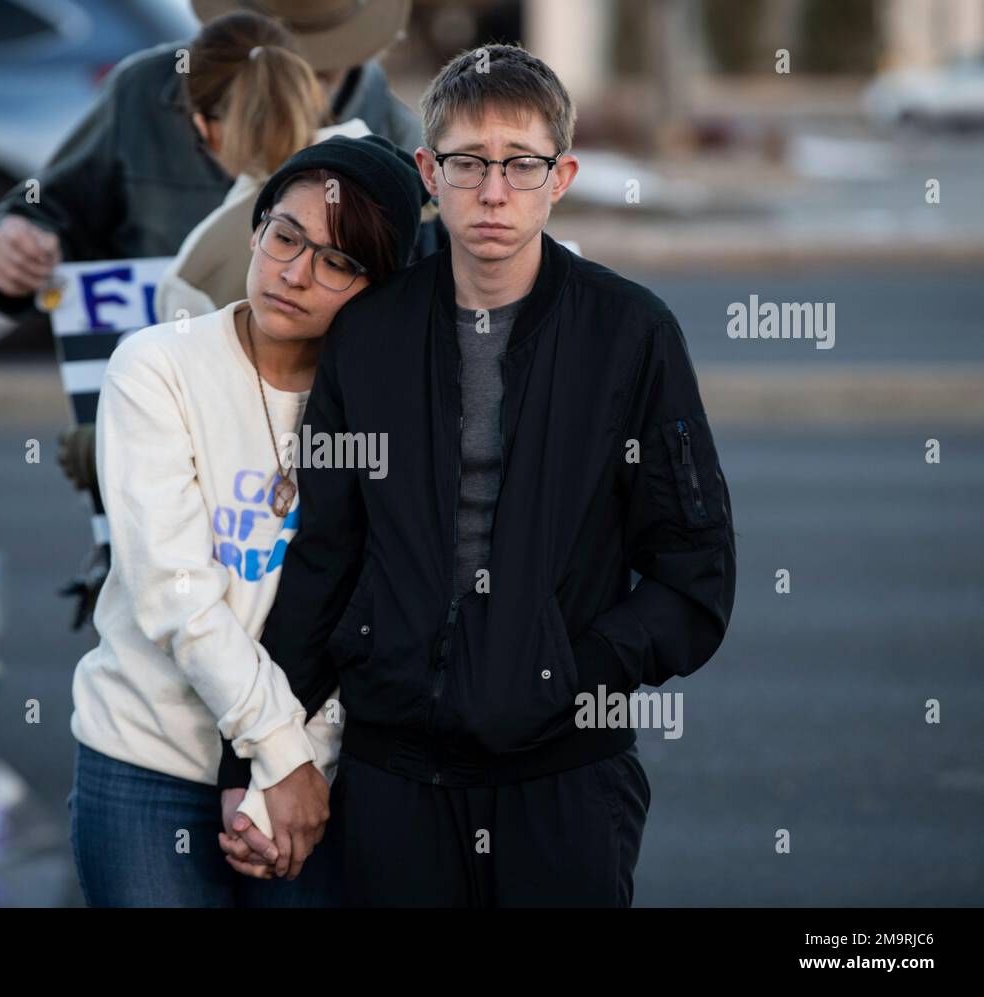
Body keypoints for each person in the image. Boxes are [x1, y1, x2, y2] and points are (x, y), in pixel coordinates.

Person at [217, 44, 738, 906]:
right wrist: (253, 760)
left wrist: (572, 675)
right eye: (467, 163)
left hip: (565, 780)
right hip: (395, 780)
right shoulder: (370, 337)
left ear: (561, 175)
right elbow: (324, 561)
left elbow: (697, 574)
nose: (493, 192)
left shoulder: (630, 334)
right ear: (429, 170)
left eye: (521, 164)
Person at [68, 134, 431, 906]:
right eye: (285, 236)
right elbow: (174, 591)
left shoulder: (389, 408)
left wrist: (300, 764)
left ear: (380, 285)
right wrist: (275, 751)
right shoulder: (155, 365)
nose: (294, 273)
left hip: (311, 767)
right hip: (148, 761)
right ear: (258, 227)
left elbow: (370, 612)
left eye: (337, 262)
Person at [0, 0, 434, 497]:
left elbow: (409, 349)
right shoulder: (146, 92)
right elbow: (50, 205)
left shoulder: (396, 137)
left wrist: (130, 443)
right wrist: (14, 242)